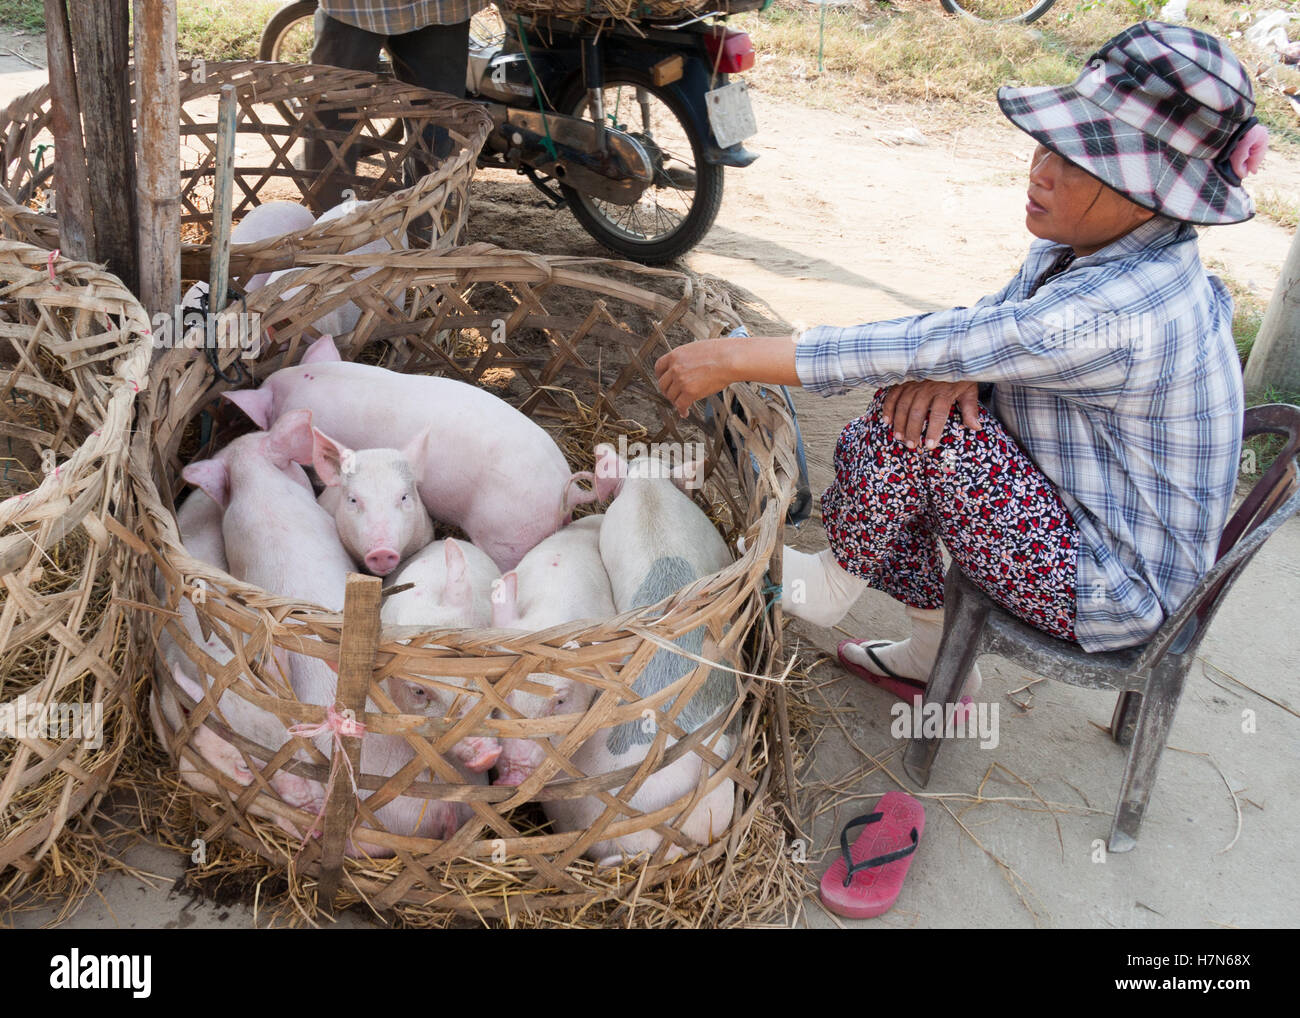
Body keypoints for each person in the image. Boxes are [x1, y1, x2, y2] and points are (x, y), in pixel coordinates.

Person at [654, 21, 1270, 701]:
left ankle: (832, 585)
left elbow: (924, 344)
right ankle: (928, 650)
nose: (1041, 170)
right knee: (921, 397)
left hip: (1116, 591)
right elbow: (982, 330)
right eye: (1048, 145)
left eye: (1079, 162)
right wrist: (962, 369)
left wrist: (733, 356)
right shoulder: (1103, 247)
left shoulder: (1122, 310)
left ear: (1149, 194)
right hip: (1083, 517)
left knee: (916, 426)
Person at [299, 0, 486, 205]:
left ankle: (423, 226)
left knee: (437, 124)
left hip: (438, 8)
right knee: (331, 120)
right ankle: (327, 223)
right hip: (358, 8)